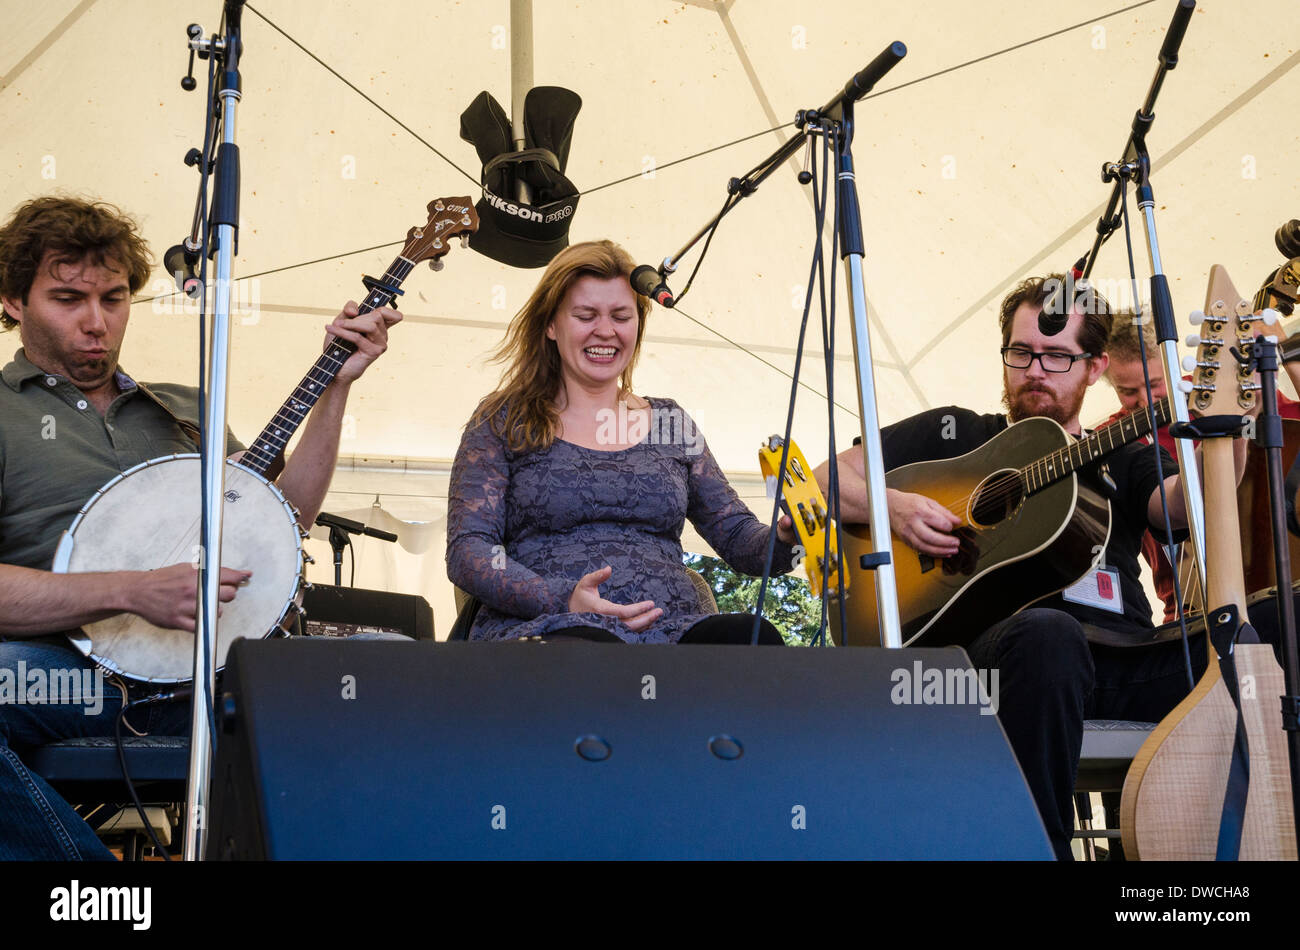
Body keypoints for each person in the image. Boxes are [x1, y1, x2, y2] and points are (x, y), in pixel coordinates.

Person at [0, 195, 401, 860]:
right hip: (67, 673)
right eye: (67, 299)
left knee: (400, 672)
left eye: (115, 298)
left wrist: (338, 389)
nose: (97, 322)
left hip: (216, 670)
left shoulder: (186, 407)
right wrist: (131, 590)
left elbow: (287, 519)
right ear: (13, 301)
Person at [815, 274, 1249, 860]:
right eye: (1021, 352)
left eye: (1056, 357)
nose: (1035, 370)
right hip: (1002, 664)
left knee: (1270, 629)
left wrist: (1233, 425)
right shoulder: (958, 433)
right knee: (1050, 636)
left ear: (1095, 367)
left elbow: (1188, 505)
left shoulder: (1124, 453)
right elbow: (826, 480)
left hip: (1121, 663)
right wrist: (894, 507)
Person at [446, 239, 796, 644]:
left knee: (752, 637)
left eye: (620, 316)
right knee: (584, 649)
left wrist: (786, 538)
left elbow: (736, 535)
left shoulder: (669, 421)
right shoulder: (503, 419)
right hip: (550, 629)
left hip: (671, 635)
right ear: (551, 325)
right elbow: (469, 550)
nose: (606, 331)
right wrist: (562, 598)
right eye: (585, 315)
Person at [1099, 312, 1300, 622]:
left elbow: (1293, 428)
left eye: (1154, 384)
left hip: (1270, 580)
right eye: (1128, 391)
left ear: (1170, 364)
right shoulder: (1114, 440)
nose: (1146, 401)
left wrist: (1287, 353)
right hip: (1186, 609)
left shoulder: (1218, 393)